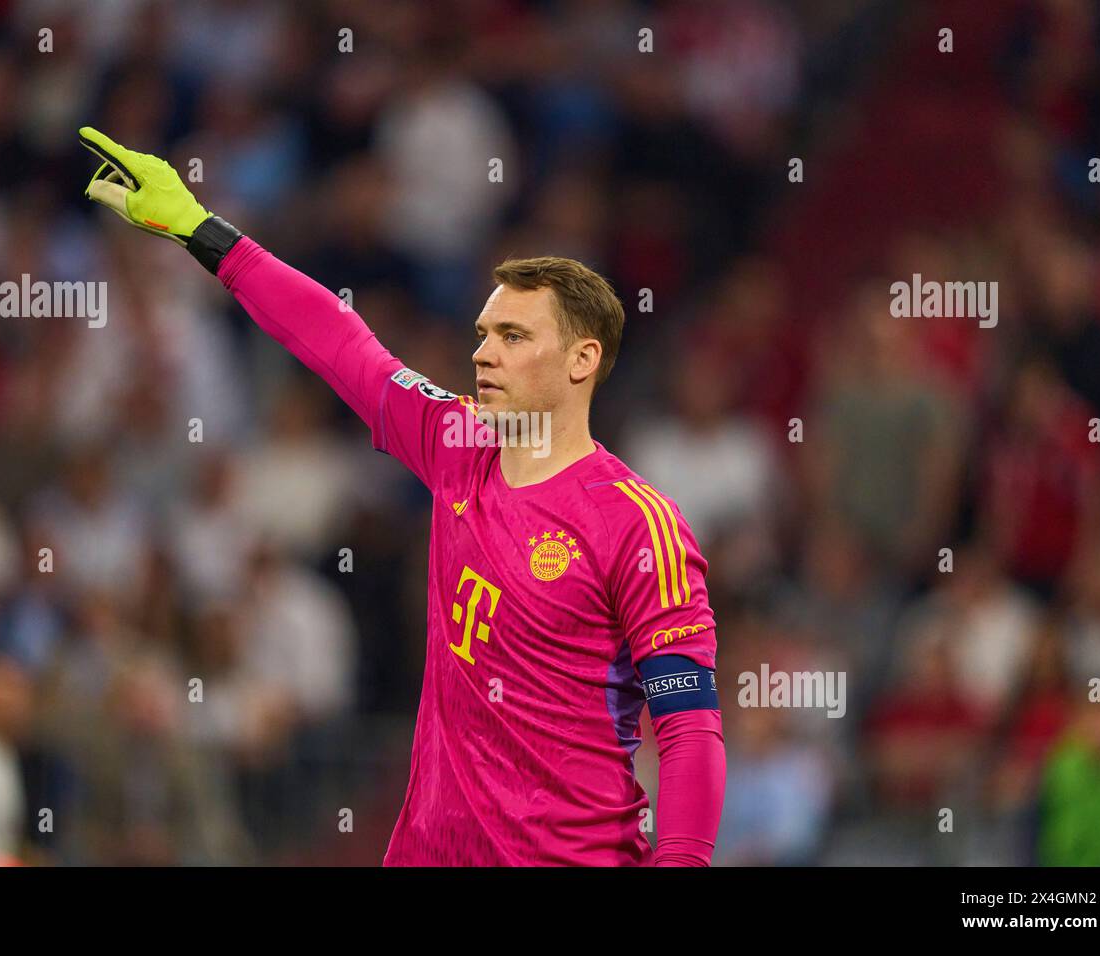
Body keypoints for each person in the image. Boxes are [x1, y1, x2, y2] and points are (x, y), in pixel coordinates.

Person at [76, 127, 726, 866]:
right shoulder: (456, 445)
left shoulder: (637, 525)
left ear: (582, 360)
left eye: (513, 336)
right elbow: (342, 340)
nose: (482, 353)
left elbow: (689, 728)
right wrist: (202, 230)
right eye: (483, 333)